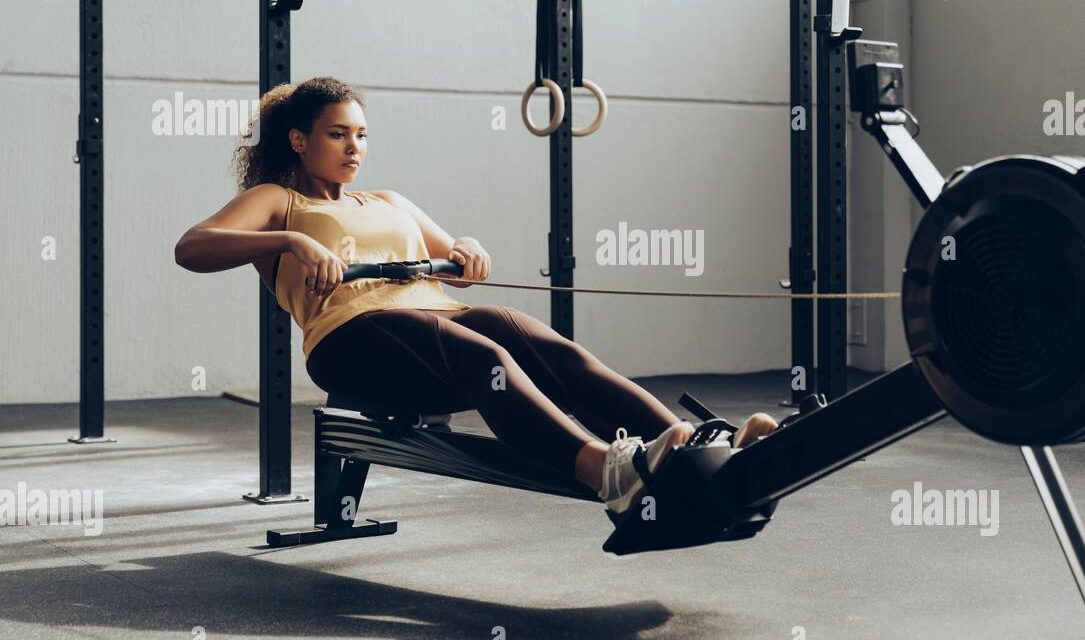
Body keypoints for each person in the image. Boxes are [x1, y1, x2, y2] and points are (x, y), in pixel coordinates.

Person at [174, 77, 779, 515]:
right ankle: (608, 473)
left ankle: (705, 450)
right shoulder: (282, 201)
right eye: (338, 135)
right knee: (482, 357)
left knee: (542, 344)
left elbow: (459, 264)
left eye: (361, 134)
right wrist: (292, 242)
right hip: (352, 342)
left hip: (431, 318)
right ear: (300, 140)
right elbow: (192, 247)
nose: (354, 147)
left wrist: (468, 248)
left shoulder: (387, 201)